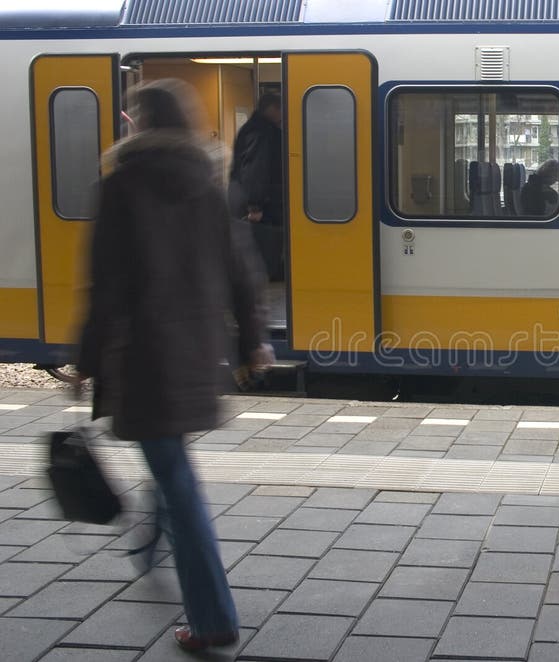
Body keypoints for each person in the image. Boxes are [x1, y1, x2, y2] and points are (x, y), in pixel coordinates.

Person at [76, 79, 273, 653]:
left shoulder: (119, 187)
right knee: (171, 461)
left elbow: (105, 286)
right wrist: (252, 342)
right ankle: (147, 547)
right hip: (195, 355)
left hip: (144, 360)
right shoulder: (207, 187)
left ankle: (212, 619)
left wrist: (87, 360)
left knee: (178, 481)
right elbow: (241, 271)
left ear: (137, 124)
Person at [228, 93, 285, 282]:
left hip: (255, 201)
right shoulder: (262, 133)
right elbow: (255, 169)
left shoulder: (253, 129)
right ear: (272, 109)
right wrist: (255, 206)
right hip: (260, 207)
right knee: (265, 258)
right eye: (280, 109)